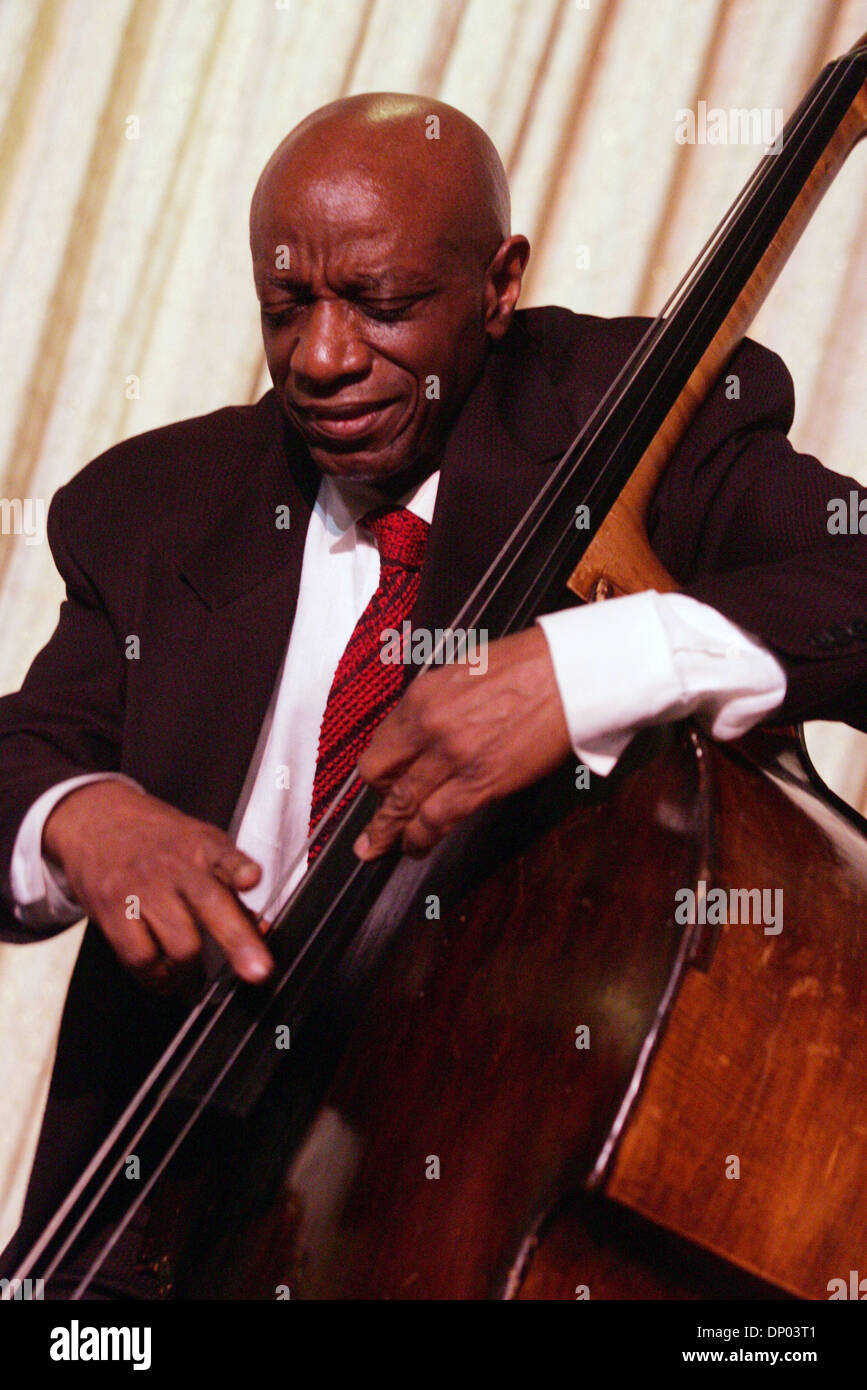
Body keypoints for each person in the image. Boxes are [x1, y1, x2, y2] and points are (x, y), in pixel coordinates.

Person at [1, 92, 865, 1278]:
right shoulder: (150, 504)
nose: (322, 357)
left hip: (436, 1230)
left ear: (501, 282)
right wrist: (79, 816)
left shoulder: (640, 422)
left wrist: (597, 662)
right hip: (138, 1225)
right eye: (285, 305)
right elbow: (24, 754)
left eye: (386, 306)